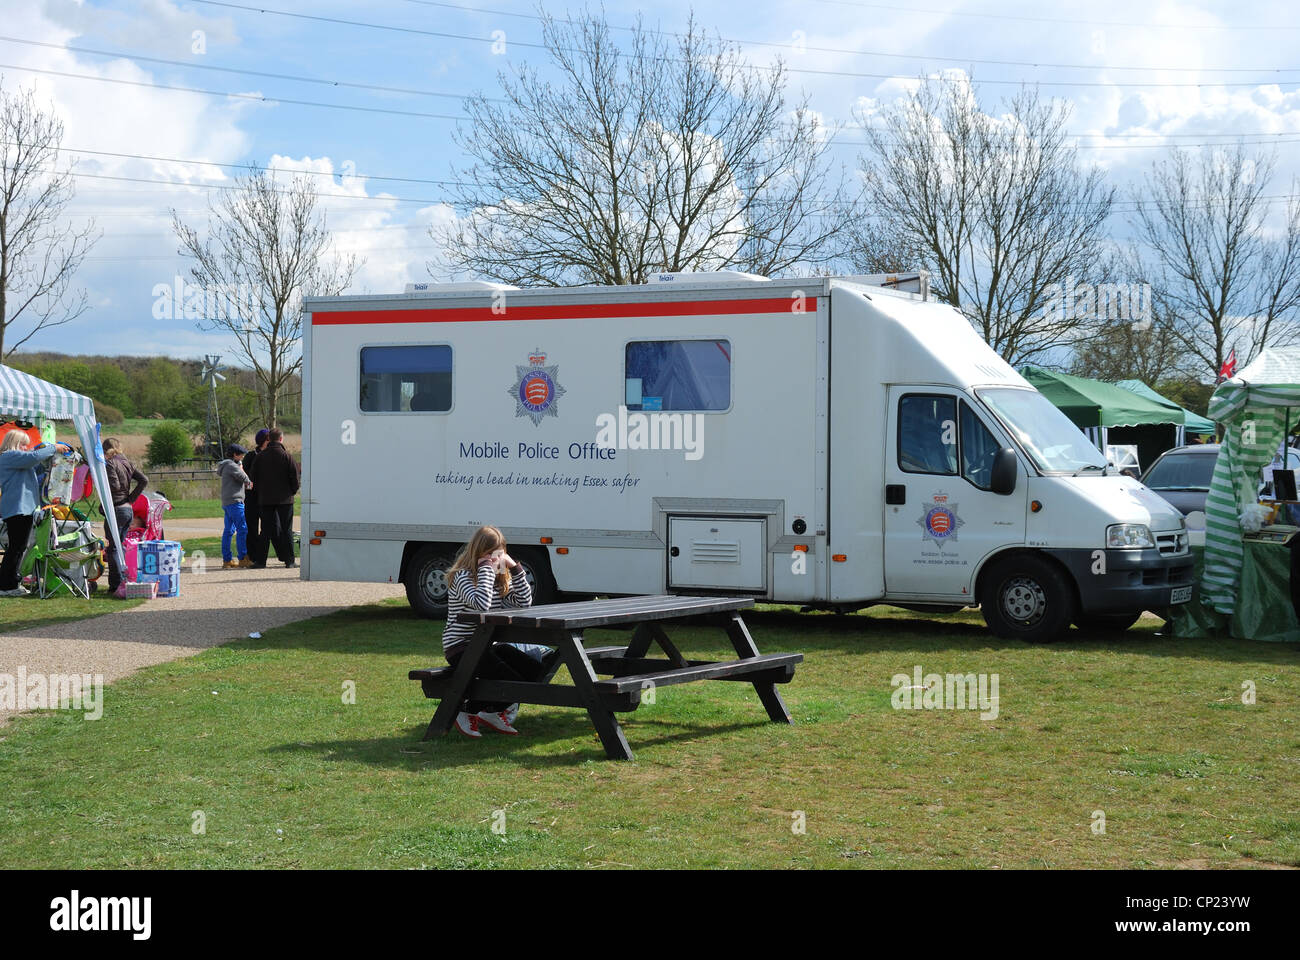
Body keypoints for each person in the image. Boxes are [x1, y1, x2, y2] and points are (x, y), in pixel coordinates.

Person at [442, 525, 554, 738]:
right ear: (478, 552)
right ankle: (467, 710)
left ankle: (491, 712)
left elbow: (523, 603)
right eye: (490, 554)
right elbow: (481, 605)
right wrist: (485, 569)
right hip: (461, 647)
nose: (495, 559)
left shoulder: (496, 578)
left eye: (499, 554)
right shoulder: (461, 576)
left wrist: (514, 568)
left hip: (488, 645)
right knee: (511, 680)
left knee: (534, 671)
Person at [0, 432, 69, 596]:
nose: (26, 448)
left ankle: (10, 581)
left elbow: (34, 465)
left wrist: (50, 462)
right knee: (16, 548)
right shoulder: (9, 455)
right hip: (18, 508)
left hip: (24, 508)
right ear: (15, 443)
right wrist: (53, 447)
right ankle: (6, 585)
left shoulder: (18, 460)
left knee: (18, 547)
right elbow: (33, 457)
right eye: (23, 444)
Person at [102, 437, 148, 596]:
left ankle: (115, 585)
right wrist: (131, 498)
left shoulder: (109, 463)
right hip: (127, 509)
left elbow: (114, 486)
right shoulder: (127, 462)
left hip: (116, 508)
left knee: (113, 548)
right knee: (119, 546)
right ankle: (122, 580)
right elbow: (144, 480)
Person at [247, 427, 299, 568]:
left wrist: (261, 492)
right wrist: (291, 492)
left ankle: (260, 561)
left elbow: (252, 478)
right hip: (285, 499)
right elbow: (295, 478)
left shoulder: (260, 457)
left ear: (269, 439)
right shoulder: (287, 456)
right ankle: (289, 560)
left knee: (265, 530)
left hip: (265, 499)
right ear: (281, 439)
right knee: (286, 529)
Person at [216, 443, 253, 569]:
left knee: (229, 531)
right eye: (241, 455)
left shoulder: (225, 465)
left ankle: (227, 560)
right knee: (242, 529)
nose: (242, 457)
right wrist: (242, 468)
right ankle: (243, 558)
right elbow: (245, 478)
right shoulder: (232, 465)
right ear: (235, 455)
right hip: (235, 502)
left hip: (227, 502)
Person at [243, 428, 269, 565]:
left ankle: (261, 556)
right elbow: (245, 476)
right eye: (268, 439)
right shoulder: (250, 456)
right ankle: (251, 555)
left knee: (266, 528)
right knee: (251, 527)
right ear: (263, 441)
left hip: (266, 497)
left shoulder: (270, 455)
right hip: (252, 497)